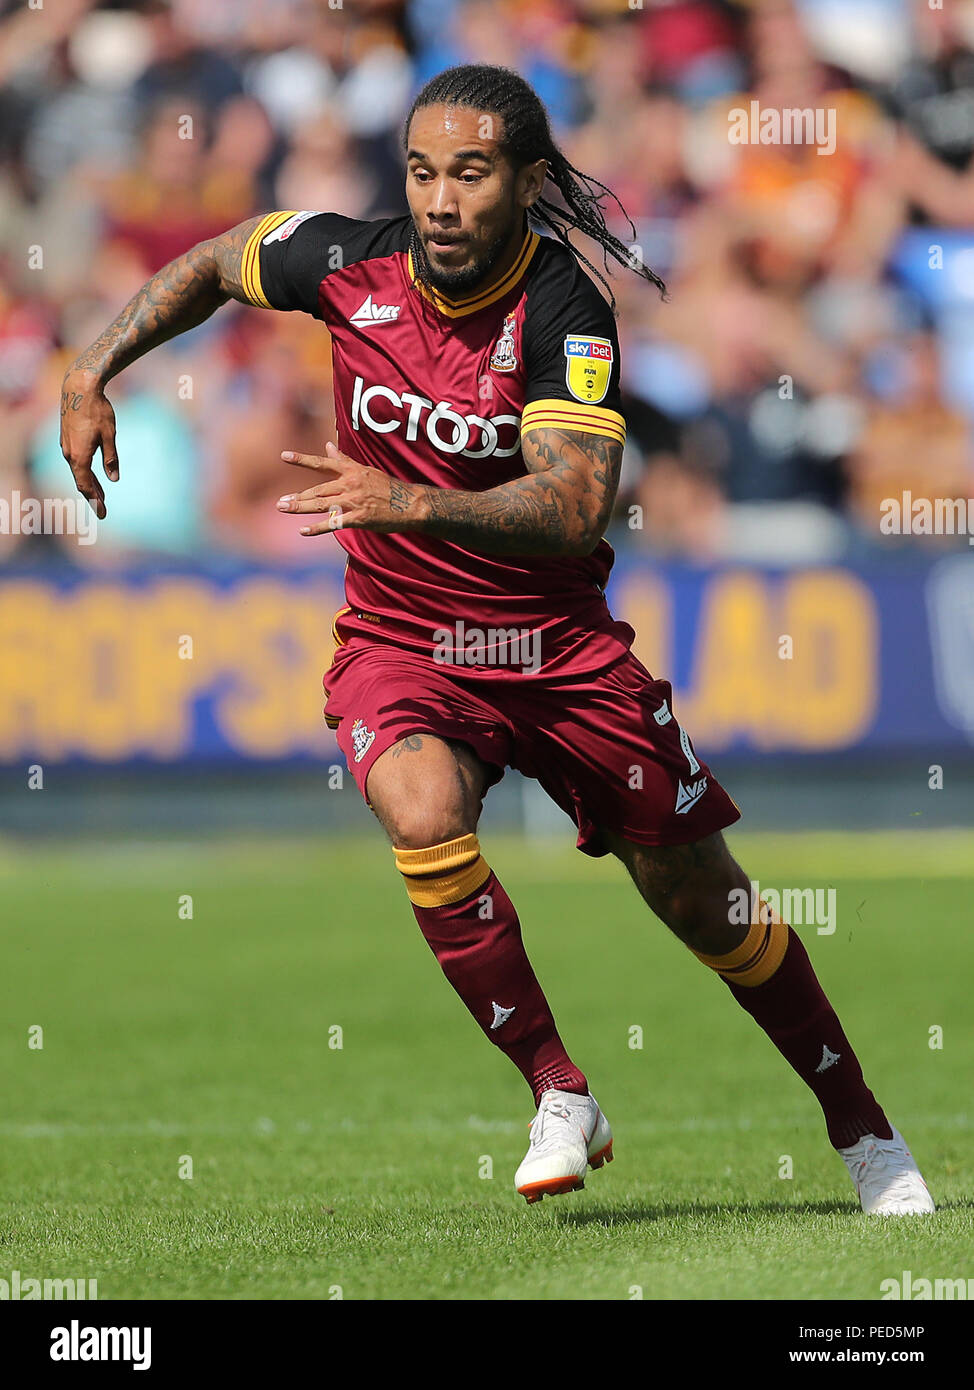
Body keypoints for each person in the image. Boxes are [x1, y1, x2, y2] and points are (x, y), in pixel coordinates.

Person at [59, 63, 933, 1215]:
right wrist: (91, 364)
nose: (438, 200)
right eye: (422, 172)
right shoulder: (342, 260)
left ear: (522, 181)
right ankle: (558, 1086)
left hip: (556, 653)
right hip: (405, 641)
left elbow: (573, 504)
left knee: (702, 903)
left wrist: (410, 500)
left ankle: (862, 1131)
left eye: (468, 173)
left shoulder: (564, 311)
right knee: (418, 810)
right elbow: (217, 260)